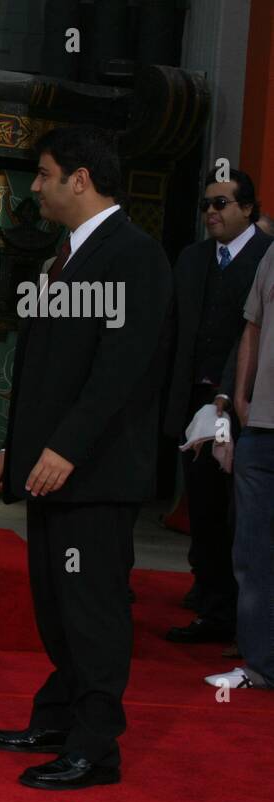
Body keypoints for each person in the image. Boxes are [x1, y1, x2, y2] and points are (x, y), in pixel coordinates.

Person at [0, 126, 172, 789]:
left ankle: (97, 748)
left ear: (80, 179)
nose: (34, 187)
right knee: (56, 604)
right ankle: (59, 717)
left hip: (95, 472)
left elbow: (121, 371)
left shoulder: (135, 256)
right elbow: (40, 368)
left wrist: (64, 447)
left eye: (43, 174)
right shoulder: (60, 256)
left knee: (92, 611)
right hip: (51, 467)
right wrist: (19, 443)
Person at [161, 169, 270, 649]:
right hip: (193, 399)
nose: (211, 212)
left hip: (245, 402)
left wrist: (232, 391)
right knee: (201, 505)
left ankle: (231, 609)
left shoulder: (265, 258)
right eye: (207, 203)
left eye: (222, 203)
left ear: (248, 208)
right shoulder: (192, 258)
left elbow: (251, 334)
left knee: (237, 515)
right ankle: (210, 595)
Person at [207, 243, 274, 691]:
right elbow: (252, 326)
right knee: (252, 554)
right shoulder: (272, 257)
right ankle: (260, 666)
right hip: (262, 428)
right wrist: (243, 399)